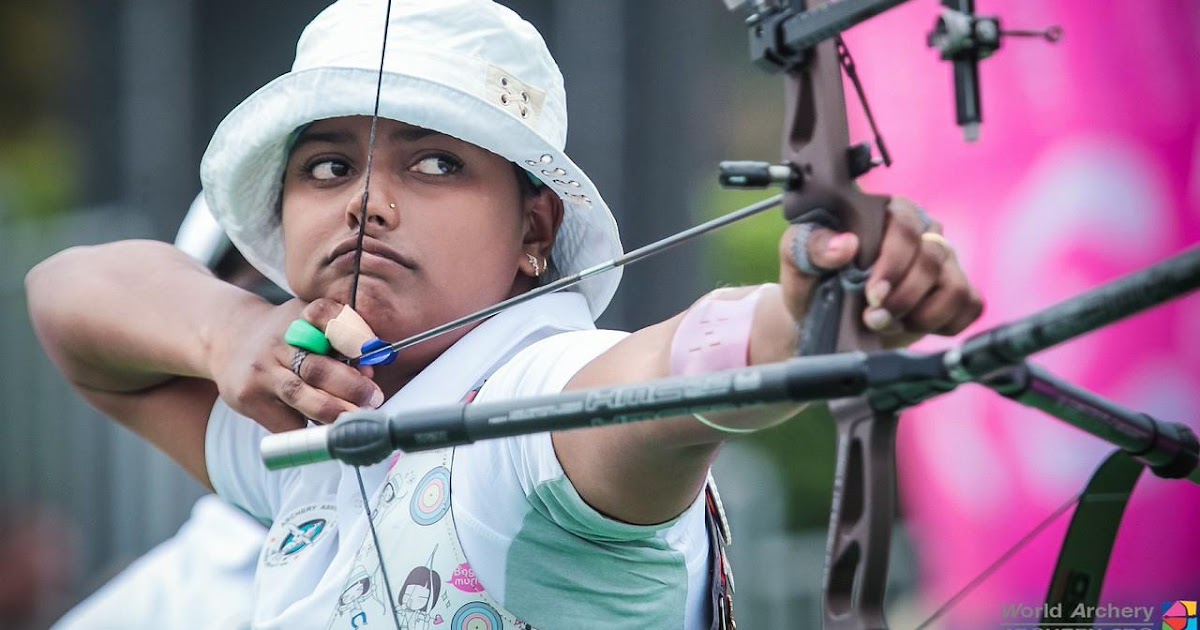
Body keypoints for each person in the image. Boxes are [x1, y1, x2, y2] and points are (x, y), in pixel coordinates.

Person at [25, 1, 982, 628]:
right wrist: (228, 333)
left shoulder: (535, 399)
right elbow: (66, 299)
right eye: (328, 166)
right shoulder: (315, 429)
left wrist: (802, 313)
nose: (366, 202)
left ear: (535, 228)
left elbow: (665, 379)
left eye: (435, 163)